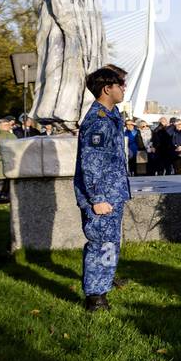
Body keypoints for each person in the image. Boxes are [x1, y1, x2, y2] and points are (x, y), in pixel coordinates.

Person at [73, 67, 131, 311]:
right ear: (108, 89)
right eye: (121, 84)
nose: (124, 88)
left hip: (113, 191)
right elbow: (91, 163)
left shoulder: (111, 114)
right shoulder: (98, 121)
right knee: (101, 243)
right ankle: (95, 297)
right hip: (102, 195)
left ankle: (105, 279)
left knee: (110, 242)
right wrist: (97, 198)